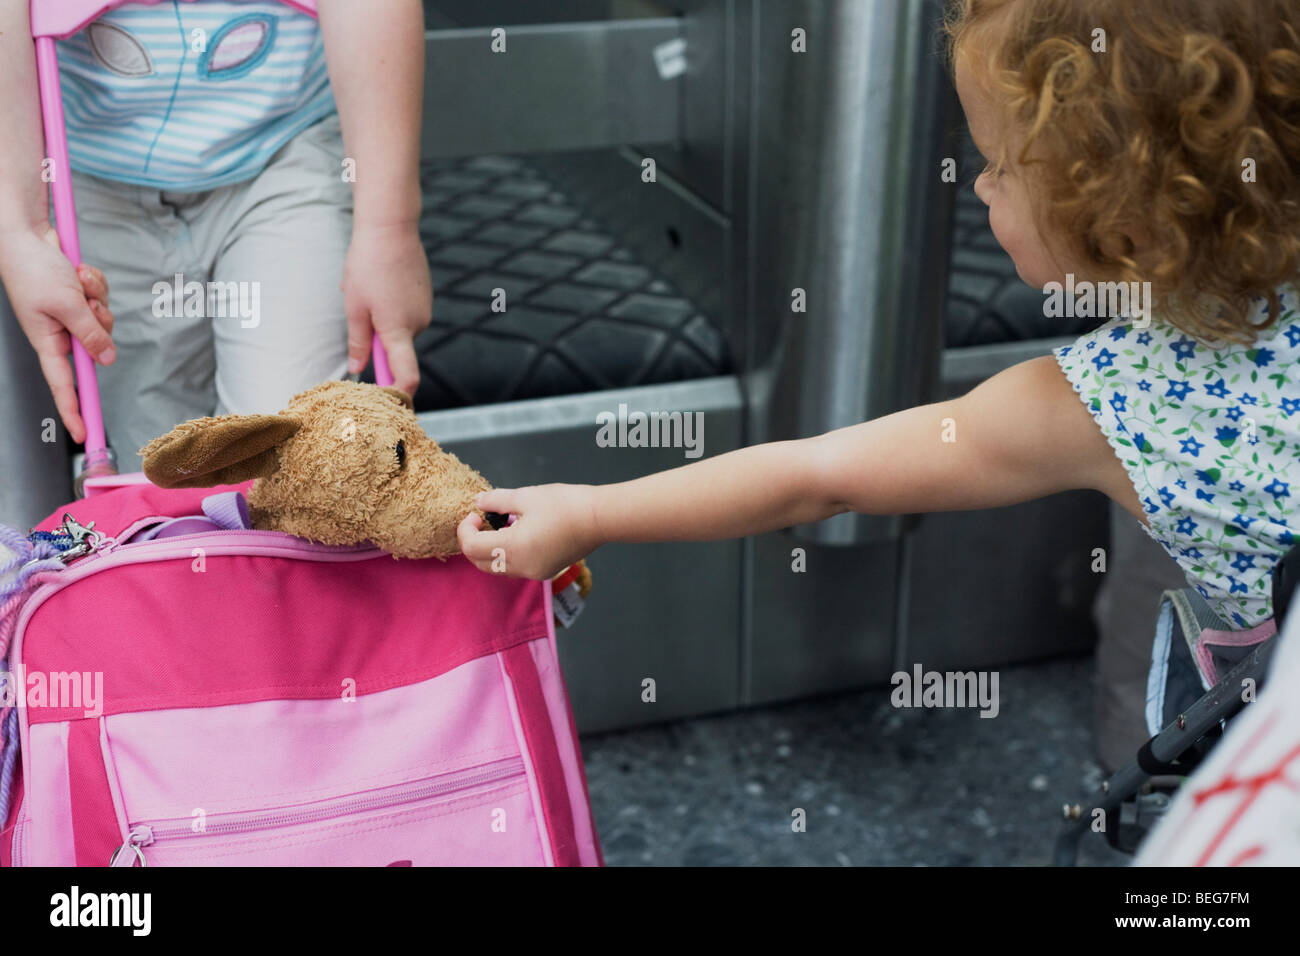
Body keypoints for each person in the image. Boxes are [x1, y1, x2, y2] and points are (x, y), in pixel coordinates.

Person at [458, 0, 1300, 639]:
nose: (980, 186)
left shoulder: (1119, 404)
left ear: (1122, 216)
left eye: (1001, 166)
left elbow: (820, 475)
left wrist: (592, 514)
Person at [0, 0, 431, 466]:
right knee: (159, 457)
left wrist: (388, 230)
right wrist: (20, 233)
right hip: (91, 174)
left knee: (285, 443)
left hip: (282, 149)